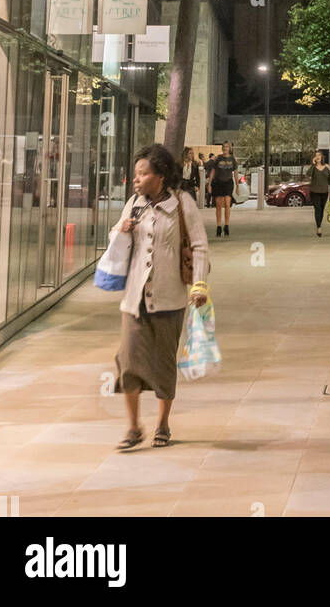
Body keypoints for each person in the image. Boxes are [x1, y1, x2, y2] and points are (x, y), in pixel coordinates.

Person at [113, 145, 208, 450]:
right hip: (134, 298)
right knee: (128, 361)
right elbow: (117, 240)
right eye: (136, 173)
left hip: (169, 297)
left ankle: (163, 424)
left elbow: (199, 246)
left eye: (143, 173)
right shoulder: (133, 204)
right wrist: (121, 229)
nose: (136, 179)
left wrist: (199, 285)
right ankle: (132, 427)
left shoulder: (183, 203)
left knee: (163, 363)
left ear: (161, 176)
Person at [211, 141, 238, 237]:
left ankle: (226, 225)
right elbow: (213, 171)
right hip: (218, 182)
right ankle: (218, 226)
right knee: (218, 205)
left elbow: (235, 172)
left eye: (227, 147)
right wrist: (209, 183)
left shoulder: (232, 159)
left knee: (227, 204)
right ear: (222, 148)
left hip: (228, 183)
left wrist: (237, 186)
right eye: (224, 146)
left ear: (229, 148)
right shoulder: (218, 158)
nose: (225, 148)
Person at [308, 150, 330, 236]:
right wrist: (312, 164)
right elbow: (308, 174)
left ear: (322, 157)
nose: (317, 157)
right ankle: (319, 227)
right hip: (314, 191)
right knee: (317, 209)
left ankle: (319, 224)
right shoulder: (313, 168)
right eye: (316, 155)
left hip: (324, 192)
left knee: (322, 209)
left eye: (319, 155)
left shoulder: (327, 167)